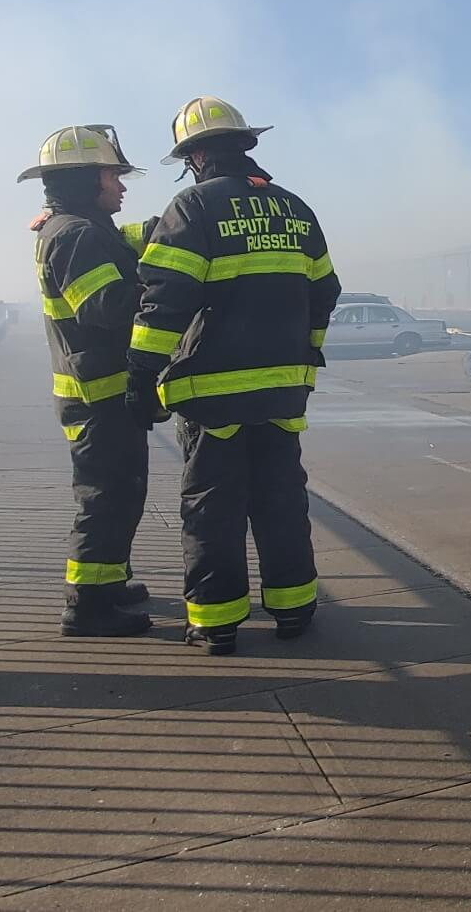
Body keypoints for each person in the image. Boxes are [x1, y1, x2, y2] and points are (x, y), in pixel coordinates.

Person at [129, 96, 341, 656]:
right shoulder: (295, 209)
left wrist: (141, 375)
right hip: (281, 394)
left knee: (212, 508)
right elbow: (325, 292)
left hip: (213, 397)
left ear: (195, 156)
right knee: (281, 501)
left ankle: (216, 622)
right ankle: (295, 609)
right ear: (245, 145)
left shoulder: (192, 208)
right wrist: (305, 357)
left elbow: (165, 302)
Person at [23, 124, 157, 638]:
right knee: (106, 498)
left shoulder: (81, 227)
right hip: (98, 395)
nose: (121, 186)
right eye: (112, 175)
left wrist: (176, 225)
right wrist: (164, 286)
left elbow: (125, 242)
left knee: (122, 493)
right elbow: (104, 309)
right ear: (85, 180)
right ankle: (88, 606)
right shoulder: (76, 235)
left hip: (99, 391)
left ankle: (110, 581)